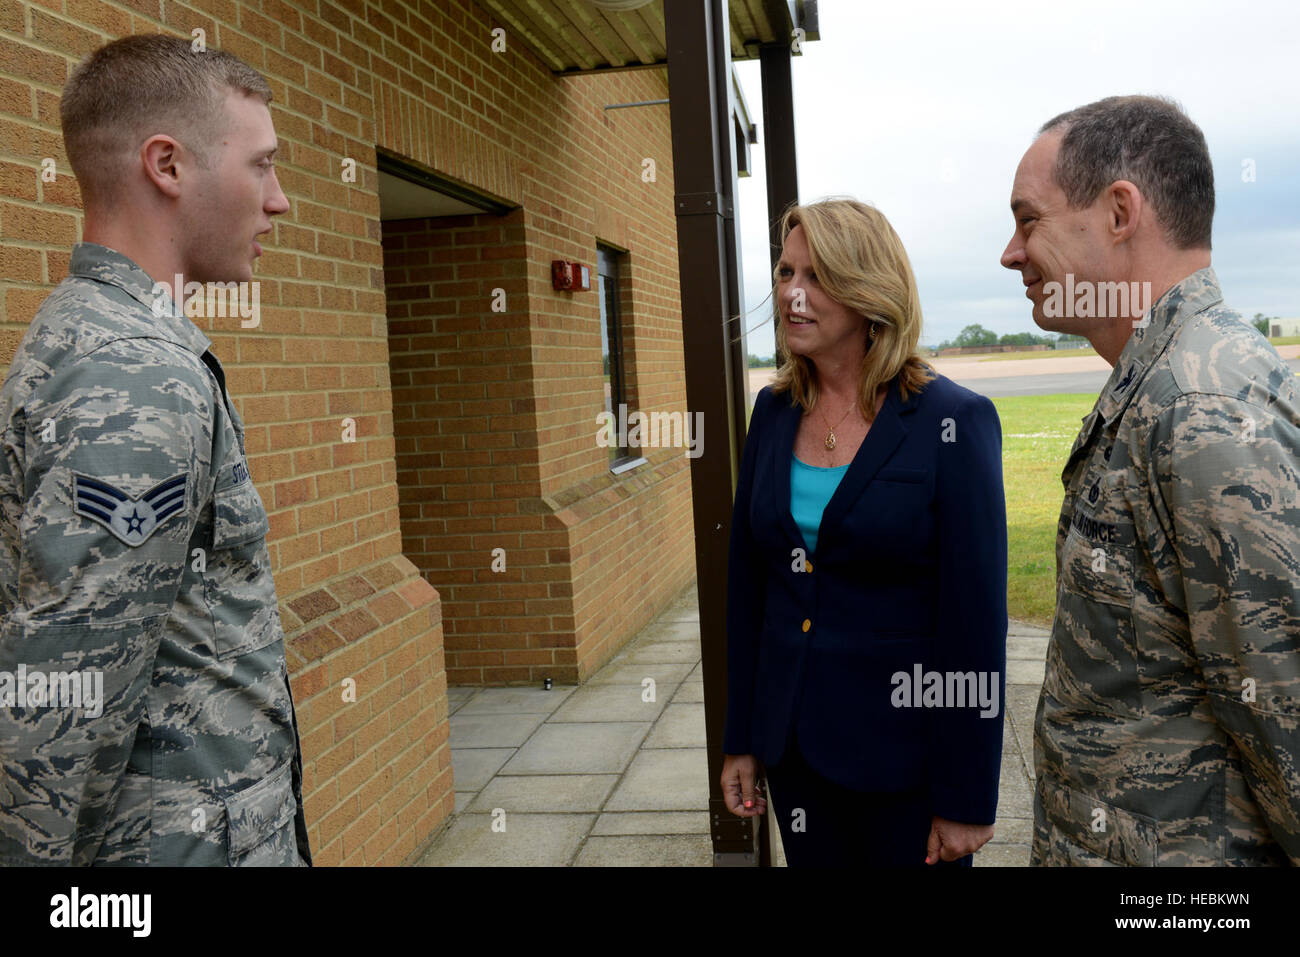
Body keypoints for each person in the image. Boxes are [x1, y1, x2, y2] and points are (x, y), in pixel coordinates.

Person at [0, 34, 310, 865]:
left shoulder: (116, 340)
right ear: (166, 165)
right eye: (262, 165)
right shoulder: (130, 372)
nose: (279, 200)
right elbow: (74, 686)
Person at [1001, 95, 1300, 865]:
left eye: (1028, 219)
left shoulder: (1204, 408)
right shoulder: (1158, 381)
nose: (1010, 252)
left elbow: (1284, 719)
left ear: (1120, 212)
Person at [721, 198, 1008, 866]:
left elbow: (974, 622)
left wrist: (967, 795)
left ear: (867, 289)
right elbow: (748, 589)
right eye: (786, 272)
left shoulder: (953, 421)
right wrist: (741, 736)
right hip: (794, 753)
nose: (792, 293)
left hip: (905, 766)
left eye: (816, 277)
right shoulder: (771, 412)